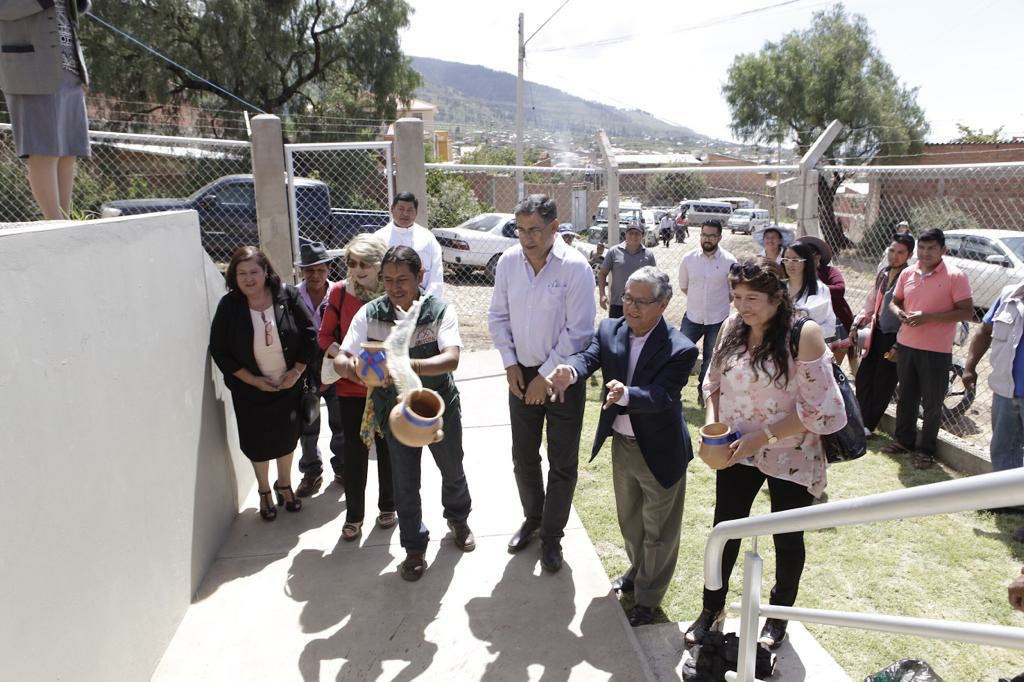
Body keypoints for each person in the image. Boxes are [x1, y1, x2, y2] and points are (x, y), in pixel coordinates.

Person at [684, 259, 846, 650]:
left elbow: (823, 410)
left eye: (752, 298)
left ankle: (779, 617)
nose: (743, 306)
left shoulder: (802, 334)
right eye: (737, 296)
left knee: (787, 539)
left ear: (778, 297)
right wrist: (713, 430)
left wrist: (766, 435)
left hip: (791, 450)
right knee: (725, 530)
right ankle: (712, 609)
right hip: (739, 448)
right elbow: (713, 382)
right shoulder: (731, 327)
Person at [549, 267, 698, 627]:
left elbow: (663, 395)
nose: (630, 307)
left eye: (640, 301)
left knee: (659, 532)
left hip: (661, 451)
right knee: (631, 522)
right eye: (627, 298)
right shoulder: (610, 328)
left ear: (662, 304)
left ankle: (647, 599)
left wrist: (627, 394)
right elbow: (589, 356)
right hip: (624, 447)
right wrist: (570, 370)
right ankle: (636, 572)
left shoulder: (681, 348)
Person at [338, 246, 473, 580]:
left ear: (420, 278)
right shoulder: (370, 313)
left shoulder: (438, 310)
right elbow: (342, 357)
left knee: (452, 469)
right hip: (396, 414)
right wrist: (357, 370)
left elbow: (451, 358)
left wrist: (405, 364)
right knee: (404, 484)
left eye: (402, 279)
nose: (395, 287)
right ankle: (414, 548)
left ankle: (458, 519)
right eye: (387, 280)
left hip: (438, 409)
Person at [487, 194, 597, 574]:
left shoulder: (576, 268)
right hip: (520, 374)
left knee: (562, 462)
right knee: (523, 456)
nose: (527, 238)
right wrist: (509, 363)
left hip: (562, 377)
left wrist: (544, 376)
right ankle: (532, 520)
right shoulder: (508, 262)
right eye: (521, 229)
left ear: (554, 227)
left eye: (535, 230)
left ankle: (552, 537)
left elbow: (579, 332)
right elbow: (498, 316)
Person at [209, 246, 317, 521]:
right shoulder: (229, 306)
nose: (248, 278)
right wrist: (253, 381)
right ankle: (265, 490)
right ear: (233, 276)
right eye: (241, 273)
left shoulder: (287, 295)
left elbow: (309, 335)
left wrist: (295, 372)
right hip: (250, 391)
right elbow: (219, 350)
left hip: (288, 386)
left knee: (287, 439)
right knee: (257, 443)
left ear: (266, 271)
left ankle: (285, 485)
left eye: (253, 272)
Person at [318, 234, 396, 540]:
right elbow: (324, 337)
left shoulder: (392, 293)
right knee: (354, 452)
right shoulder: (339, 293)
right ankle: (354, 515)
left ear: (380, 264)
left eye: (365, 263)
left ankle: (388, 506)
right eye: (352, 263)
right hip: (351, 388)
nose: (358, 269)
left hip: (386, 387)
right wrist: (344, 361)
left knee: (389, 448)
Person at [884, 228, 974, 470]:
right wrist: (899, 313)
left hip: (936, 351)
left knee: (932, 403)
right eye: (922, 248)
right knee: (906, 397)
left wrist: (929, 317)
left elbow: (967, 311)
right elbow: (894, 301)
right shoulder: (908, 273)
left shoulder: (955, 276)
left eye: (931, 248)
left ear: (943, 250)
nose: (925, 253)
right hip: (906, 346)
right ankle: (904, 441)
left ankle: (926, 450)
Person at [0, 0, 91, 220]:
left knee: (69, 151)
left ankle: (63, 221)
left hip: (69, 69)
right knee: (44, 151)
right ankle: (55, 223)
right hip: (31, 67)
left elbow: (80, 8)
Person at [962, 279, 1024, 540]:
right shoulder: (1009, 294)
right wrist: (969, 365)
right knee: (1003, 448)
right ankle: (1008, 500)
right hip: (1005, 390)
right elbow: (984, 332)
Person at [293, 241, 344, 497]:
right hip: (305, 369)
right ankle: (311, 471)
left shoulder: (338, 293)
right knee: (308, 423)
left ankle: (343, 468)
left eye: (320, 269)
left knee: (340, 421)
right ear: (302, 271)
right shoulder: (292, 295)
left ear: (329, 268)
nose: (315, 275)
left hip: (335, 366)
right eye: (309, 270)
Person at [850, 234, 915, 434]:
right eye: (892, 250)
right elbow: (872, 302)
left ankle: (869, 424)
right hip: (876, 333)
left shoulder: (909, 278)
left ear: (909, 255)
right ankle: (858, 419)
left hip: (894, 337)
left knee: (883, 380)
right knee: (863, 376)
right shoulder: (884, 273)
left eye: (900, 252)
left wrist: (898, 344)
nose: (894, 256)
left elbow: (909, 312)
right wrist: (858, 321)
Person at [678, 220, 737, 406]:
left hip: (718, 320)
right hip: (692, 317)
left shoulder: (730, 261)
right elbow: (684, 287)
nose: (707, 239)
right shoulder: (688, 259)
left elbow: (732, 293)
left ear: (720, 237)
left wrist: (715, 305)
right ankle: (673, 391)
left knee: (711, 360)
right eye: (704, 234)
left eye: (712, 236)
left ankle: (703, 396)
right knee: (680, 355)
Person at [794, 236, 855, 365]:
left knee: (831, 366)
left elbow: (840, 289)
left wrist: (814, 288)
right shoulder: (797, 276)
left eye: (813, 256)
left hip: (836, 323)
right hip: (807, 325)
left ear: (819, 258)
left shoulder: (830, 272)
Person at [376, 192, 444, 299]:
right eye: (401, 209)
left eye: (410, 210)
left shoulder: (428, 238)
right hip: (389, 300)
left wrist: (427, 301)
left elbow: (437, 274)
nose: (405, 214)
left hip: (423, 299)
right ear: (392, 210)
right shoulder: (379, 237)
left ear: (416, 212)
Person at [782, 242, 838, 342]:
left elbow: (830, 327)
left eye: (795, 260)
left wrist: (803, 333)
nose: (790, 264)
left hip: (809, 347)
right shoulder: (777, 287)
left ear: (806, 262)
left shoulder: (820, 289)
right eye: (786, 259)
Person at [599, 221, 657, 318]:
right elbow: (602, 274)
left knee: (638, 332)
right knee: (616, 332)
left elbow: (654, 280)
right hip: (618, 303)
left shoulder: (648, 255)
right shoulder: (614, 252)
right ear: (625, 234)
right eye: (631, 233)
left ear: (642, 236)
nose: (634, 236)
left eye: (637, 234)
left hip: (640, 305)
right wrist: (602, 295)